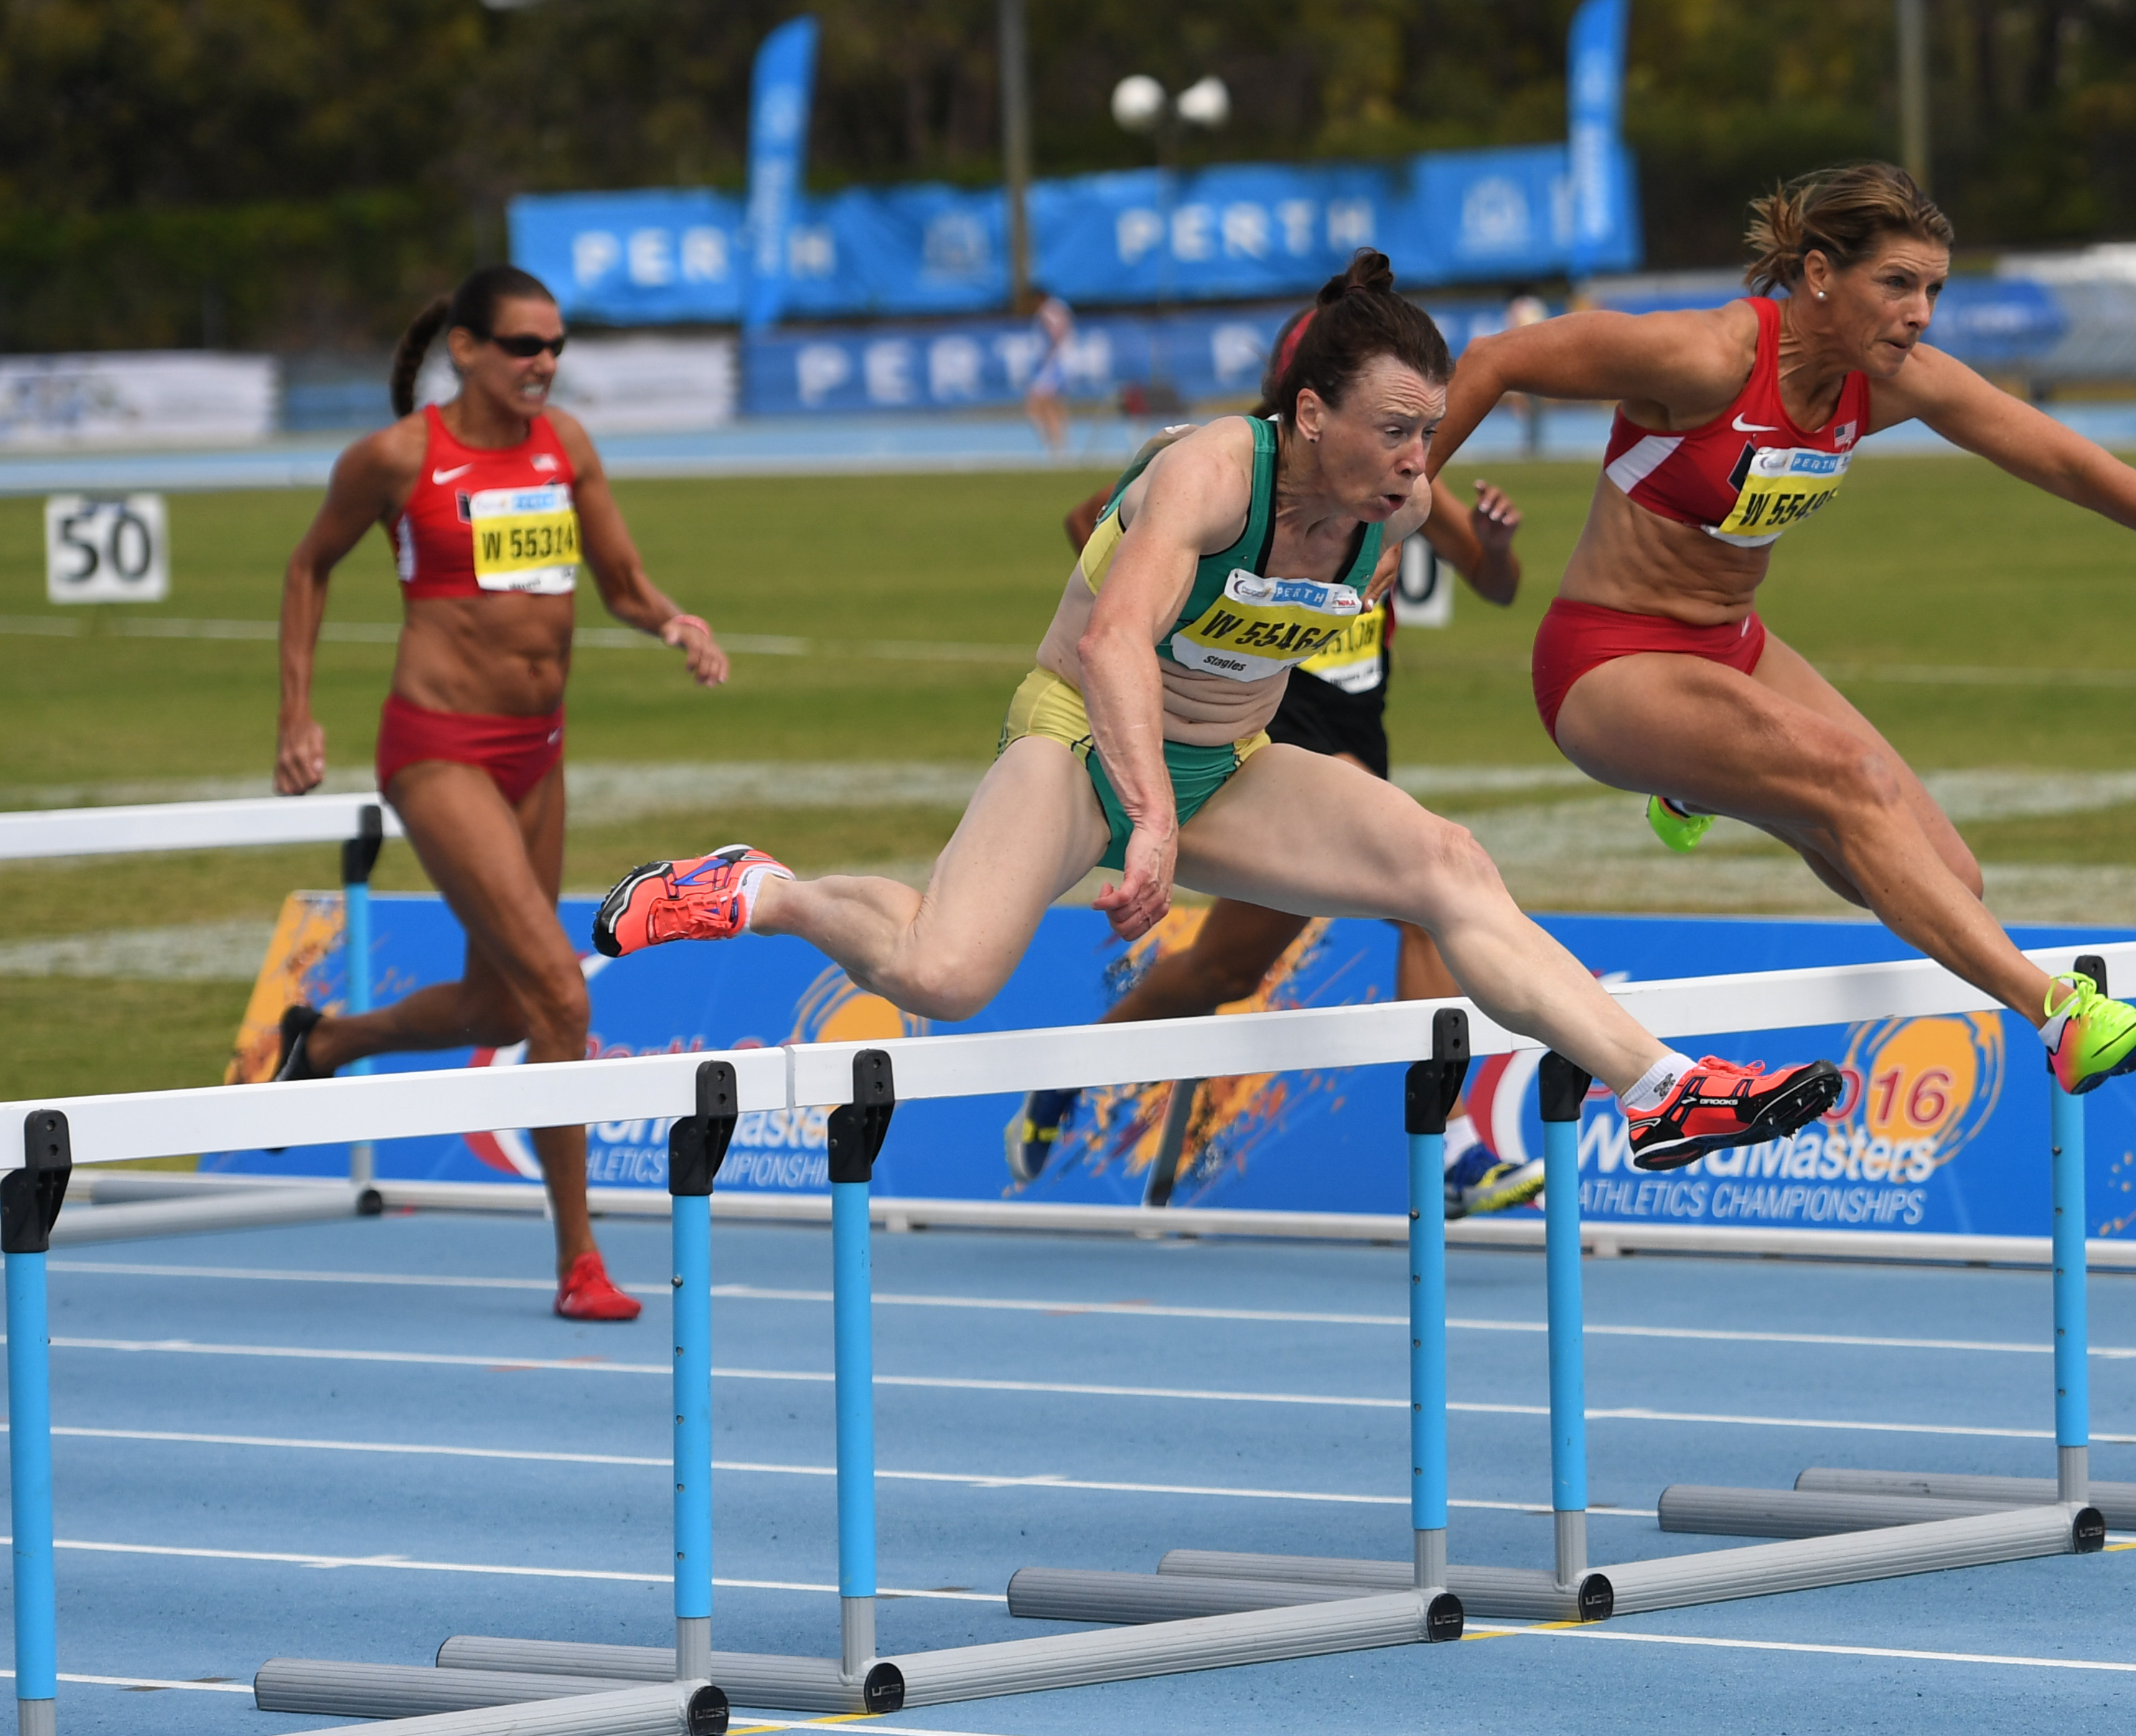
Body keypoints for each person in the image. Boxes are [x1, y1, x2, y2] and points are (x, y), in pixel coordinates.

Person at [596, 251, 1842, 1175]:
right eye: (1397, 431)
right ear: (1309, 416)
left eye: (1433, 432)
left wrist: (1673, 753)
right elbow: (1114, 639)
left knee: (1448, 863)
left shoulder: (1393, 507)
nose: (1421, 461)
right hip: (1081, 742)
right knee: (941, 970)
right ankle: (756, 889)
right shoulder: (1210, 472)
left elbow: (1526, 584)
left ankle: (1665, 1089)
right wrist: (1142, 819)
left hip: (1231, 761)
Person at [1429, 165, 2136, 1095]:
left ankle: (1703, 775)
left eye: (1934, 289)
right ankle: (2057, 1012)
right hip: (1609, 657)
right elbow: (1493, 361)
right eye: (1899, 284)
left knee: (1948, 879)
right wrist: (1381, 515)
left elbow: (2065, 460)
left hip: (1732, 651)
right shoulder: (1706, 357)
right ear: (1820, 274)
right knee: (1851, 780)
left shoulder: (1887, 382)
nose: (1921, 313)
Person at [266, 264, 731, 1321]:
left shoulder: (565, 446)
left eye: (556, 346)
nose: (545, 364)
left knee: (497, 1004)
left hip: (538, 750)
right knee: (563, 997)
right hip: (438, 751)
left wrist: (671, 620)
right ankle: (580, 1260)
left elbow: (618, 582)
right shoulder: (397, 457)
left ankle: (326, 1040)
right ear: (466, 350)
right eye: (524, 345)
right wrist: (297, 715)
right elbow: (307, 567)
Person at [1003, 305, 1538, 1216]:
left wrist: (1491, 549)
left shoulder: (1399, 483)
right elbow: (1090, 528)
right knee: (1429, 900)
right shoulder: (1230, 478)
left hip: (1360, 731)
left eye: (1417, 427)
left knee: (1222, 974)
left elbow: (1495, 586)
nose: (1406, 445)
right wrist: (1185, 594)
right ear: (1308, 405)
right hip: (1272, 726)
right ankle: (1447, 1150)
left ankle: (1067, 1067)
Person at [1024, 296, 1080, 451]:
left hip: (1055, 364)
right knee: (1055, 405)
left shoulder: (1048, 310)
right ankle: (1060, 444)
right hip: (1061, 362)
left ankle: (1055, 444)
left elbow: (1057, 330)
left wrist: (1050, 353)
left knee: (1037, 405)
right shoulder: (1059, 306)